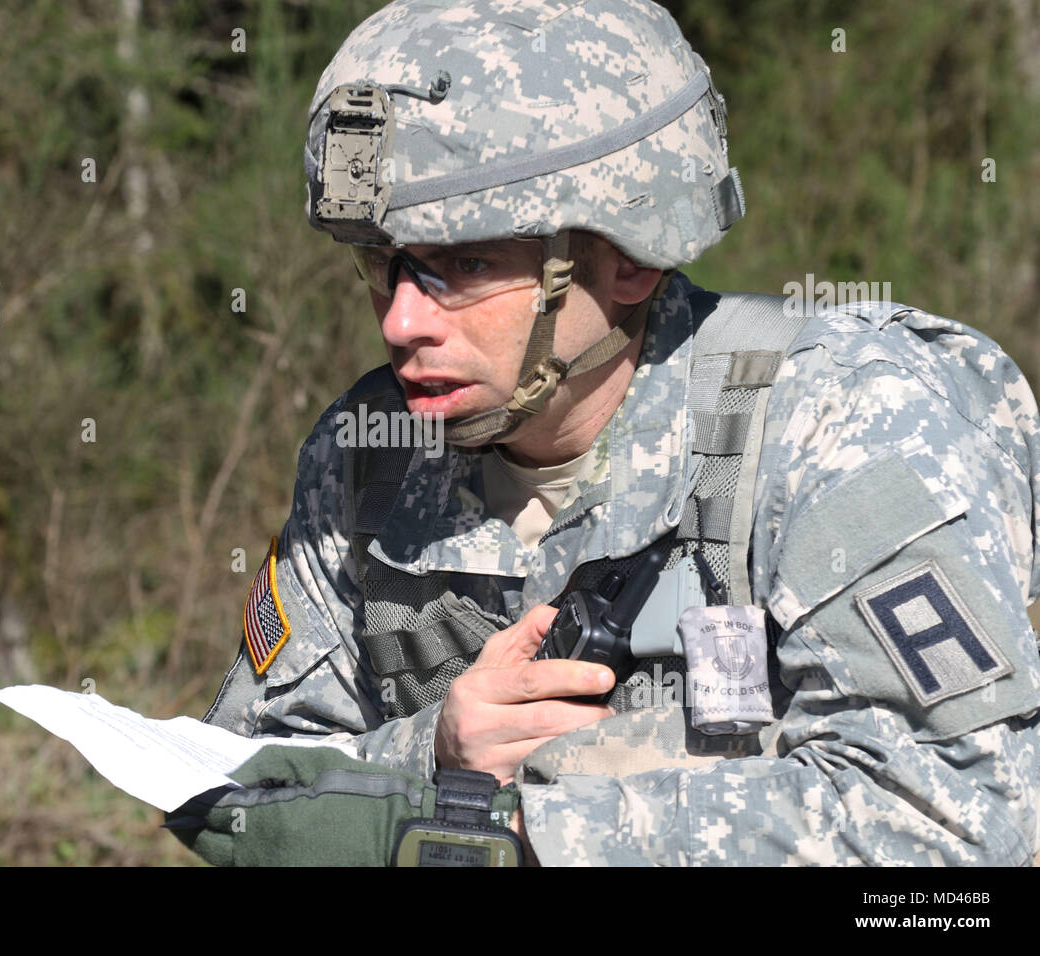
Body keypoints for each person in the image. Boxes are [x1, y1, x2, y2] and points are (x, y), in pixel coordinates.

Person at [170, 0, 1040, 866]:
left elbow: (957, 819)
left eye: (465, 265)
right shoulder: (368, 457)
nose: (401, 321)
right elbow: (237, 785)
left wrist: (505, 842)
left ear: (629, 258)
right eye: (378, 265)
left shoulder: (838, 423)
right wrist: (433, 749)